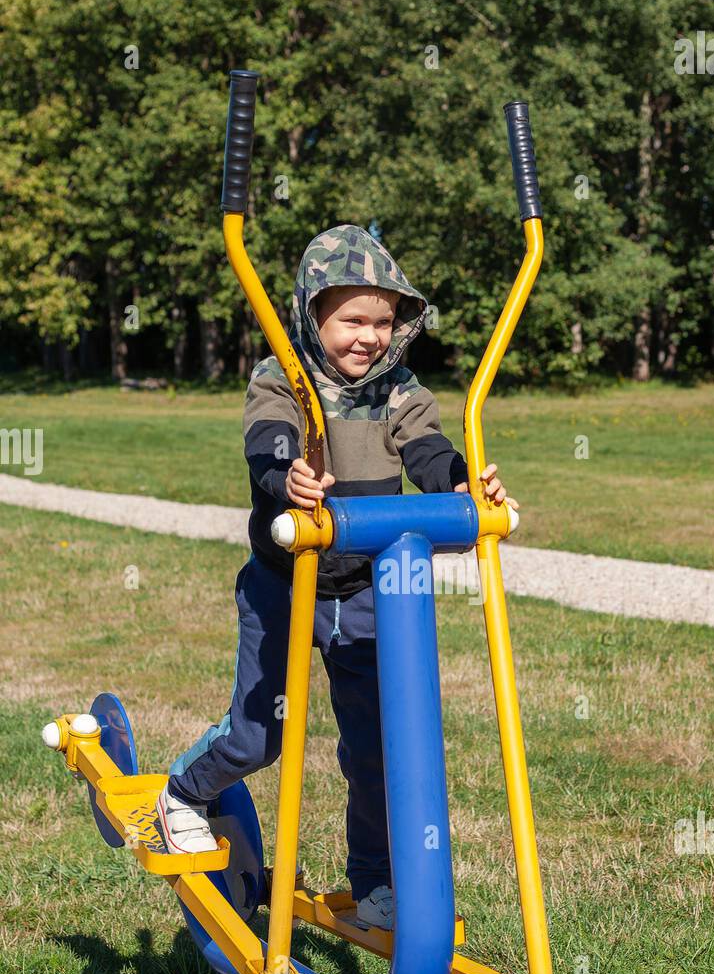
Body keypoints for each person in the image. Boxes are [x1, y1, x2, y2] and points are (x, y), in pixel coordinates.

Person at [156, 224, 516, 930]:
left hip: (365, 590)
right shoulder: (280, 377)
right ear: (312, 313)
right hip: (284, 583)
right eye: (353, 319)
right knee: (263, 734)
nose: (370, 337)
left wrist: (464, 482)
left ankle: (376, 885)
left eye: (384, 321)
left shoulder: (399, 391)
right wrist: (284, 474)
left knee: (379, 741)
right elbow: (270, 441)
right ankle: (183, 793)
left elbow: (429, 450)